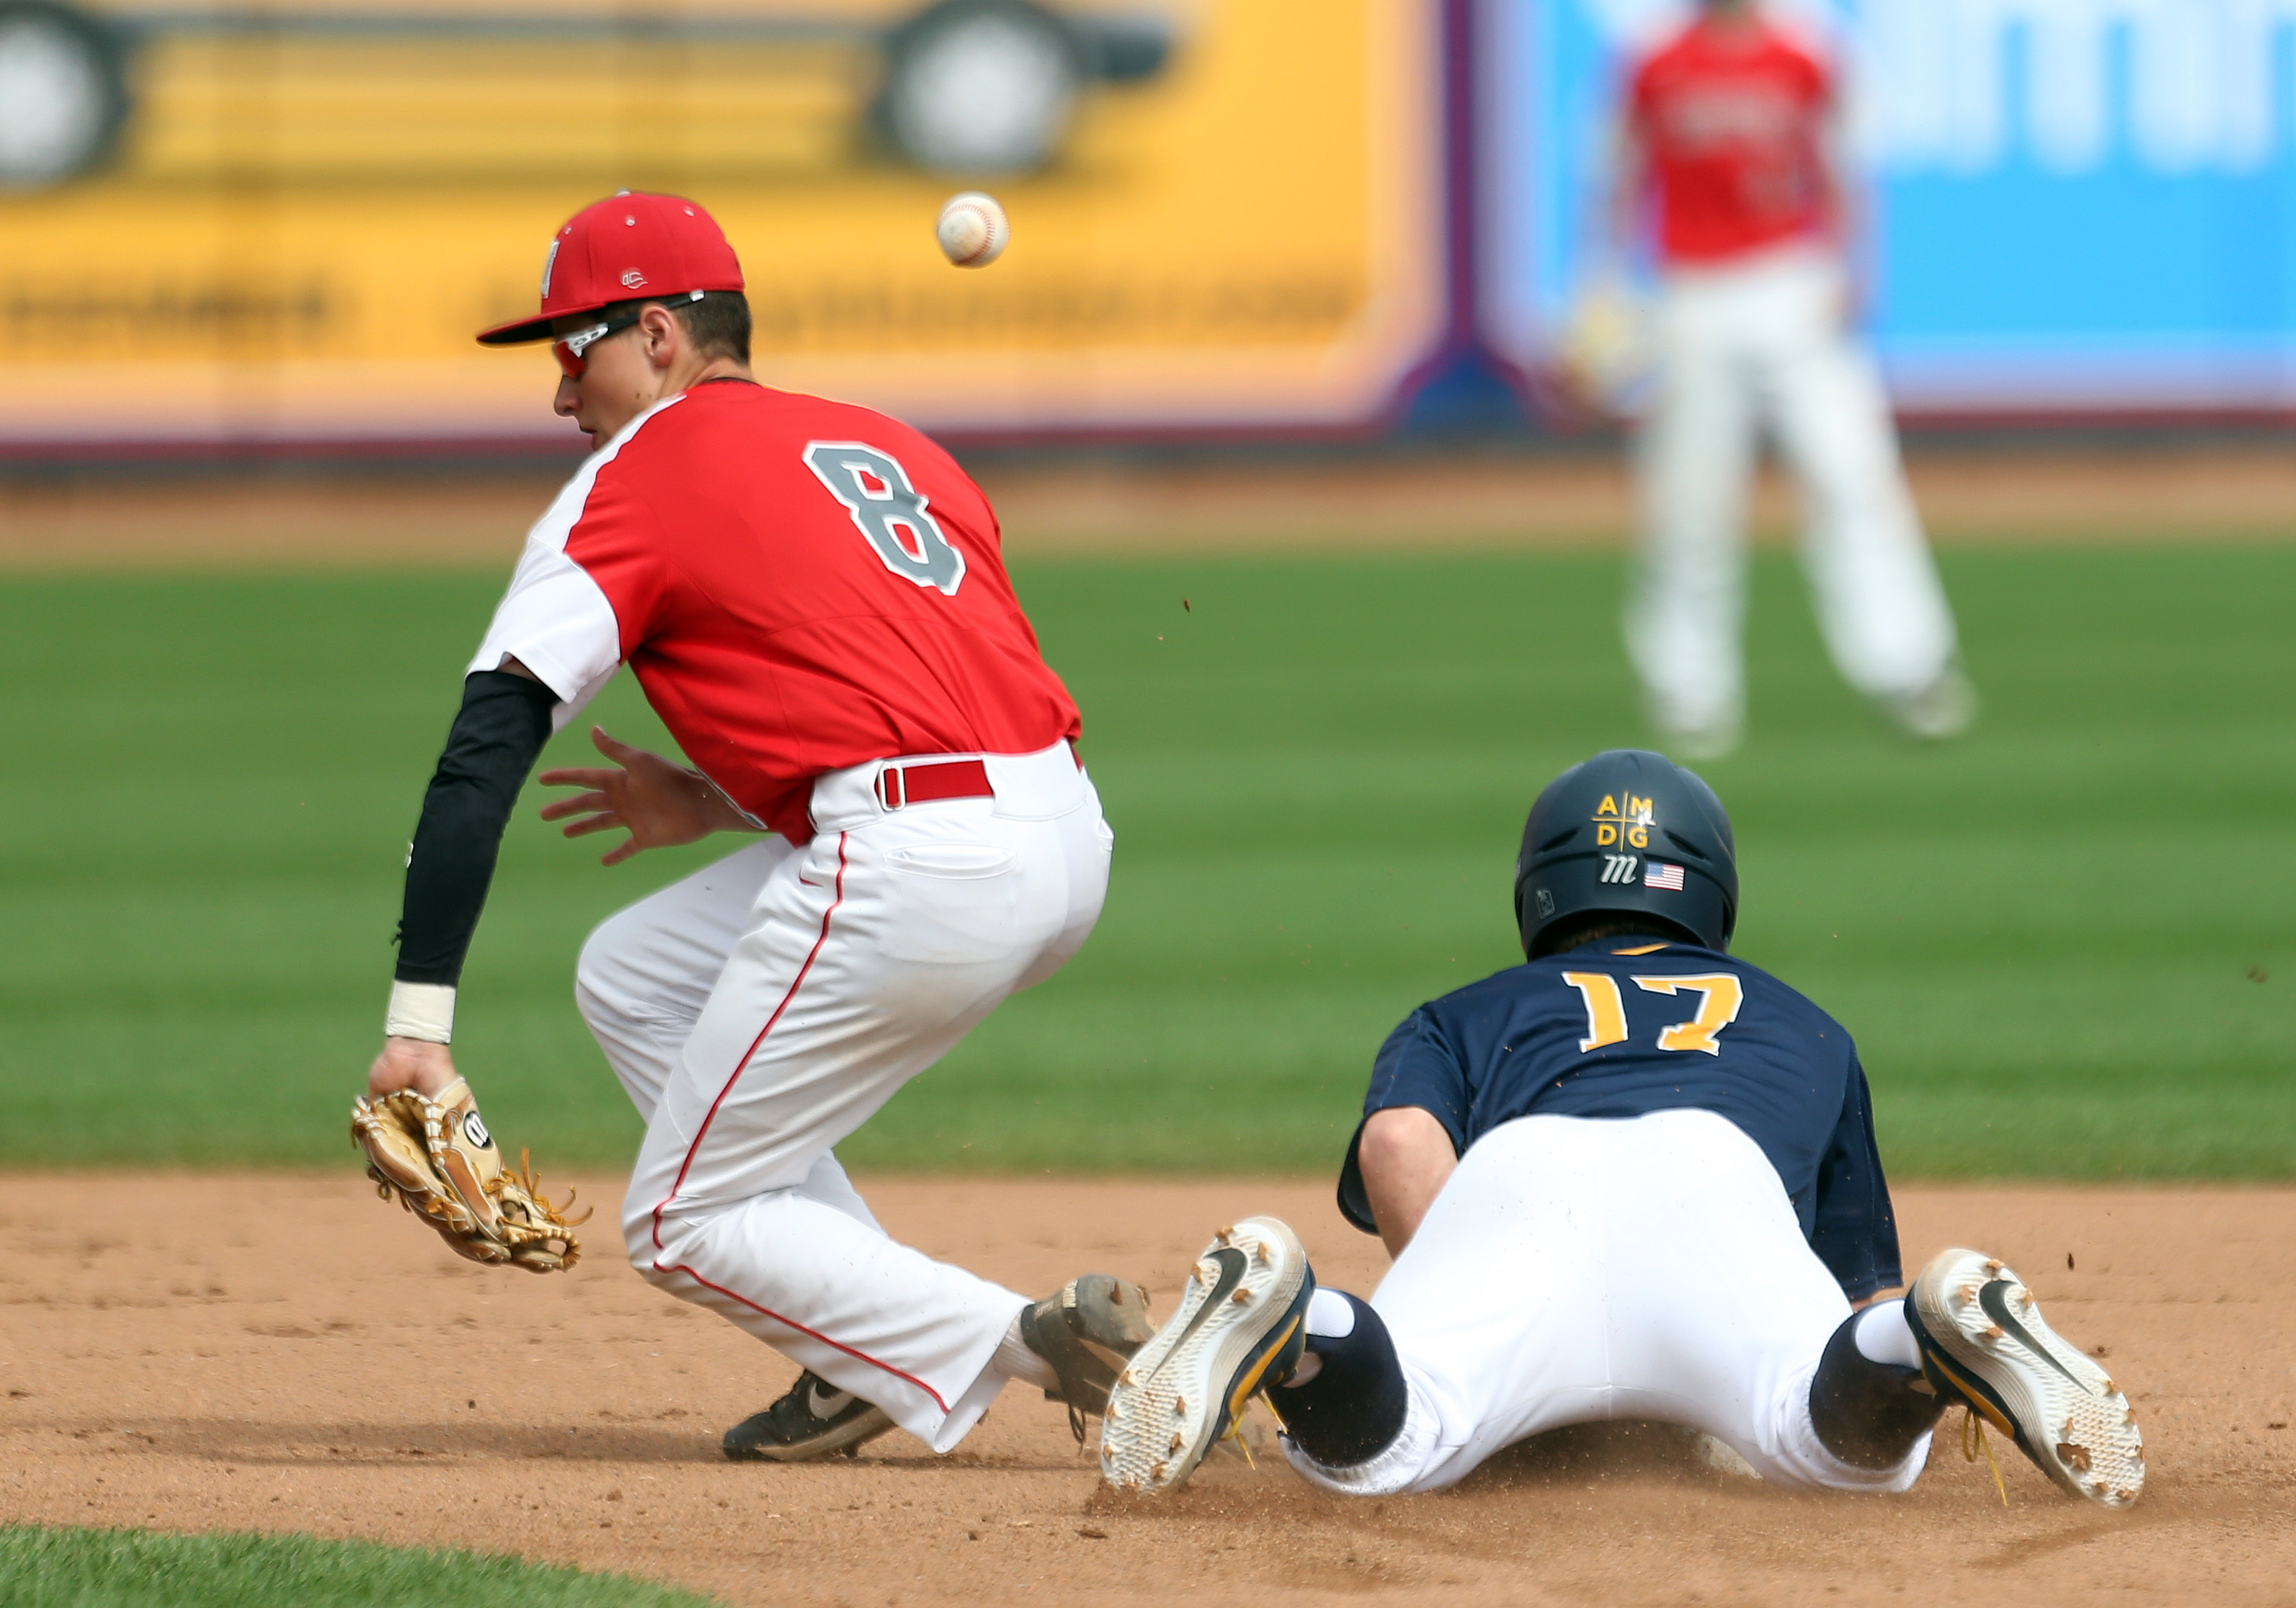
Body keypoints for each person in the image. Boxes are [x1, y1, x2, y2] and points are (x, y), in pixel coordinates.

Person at [365, 190, 1152, 1465]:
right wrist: (727, 799)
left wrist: (418, 1027)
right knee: (634, 971)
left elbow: (482, 752)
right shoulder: (894, 447)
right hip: (1061, 830)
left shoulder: (628, 481)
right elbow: (941, 692)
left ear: (662, 336)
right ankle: (846, 1354)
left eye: (580, 351)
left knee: (680, 1222)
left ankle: (1027, 1337)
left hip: (920, 865)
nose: (563, 393)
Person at [1100, 750, 2143, 1509]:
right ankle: (1926, 1339)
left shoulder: (1462, 1011)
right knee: (1840, 1449)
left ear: (1539, 890)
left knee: (1393, 1446)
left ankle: (1298, 1325)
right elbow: (1852, 1278)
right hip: (1714, 1182)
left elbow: (1398, 1146)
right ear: (1712, 890)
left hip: (1523, 1179)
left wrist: (1483, 1321)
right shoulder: (1804, 1024)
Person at [1587, 0, 1972, 758]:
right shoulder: (1654, 60)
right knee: (1690, 500)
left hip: (1790, 282)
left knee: (1852, 476)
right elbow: (1619, 174)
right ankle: (1687, 684)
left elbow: (1846, 164)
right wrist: (1601, 284)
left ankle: (1907, 664)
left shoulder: (1808, 53)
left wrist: (1855, 265)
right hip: (1690, 291)